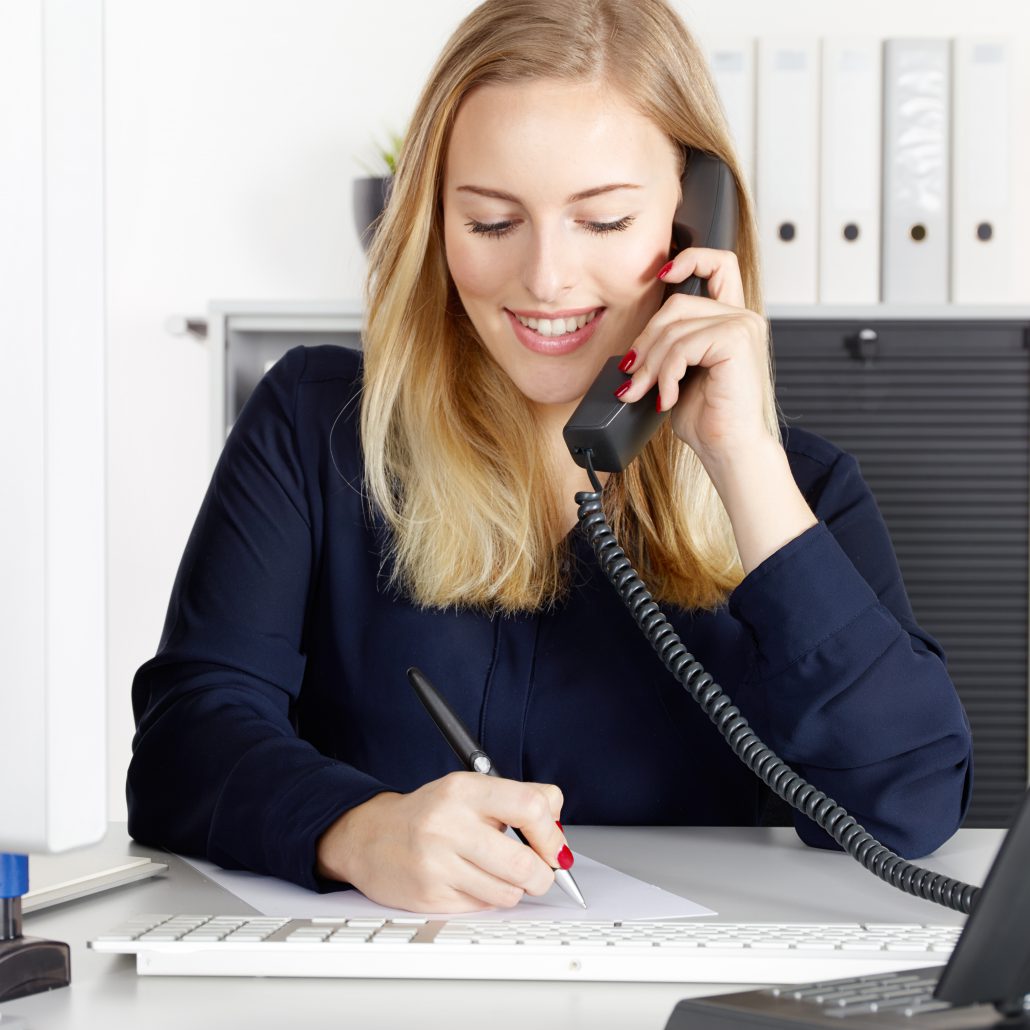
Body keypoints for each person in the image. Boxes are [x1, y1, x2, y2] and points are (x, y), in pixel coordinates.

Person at [127, 0, 973, 914]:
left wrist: (740, 459)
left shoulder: (797, 487)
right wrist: (358, 827)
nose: (546, 280)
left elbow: (910, 805)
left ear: (697, 225)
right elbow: (183, 743)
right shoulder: (314, 423)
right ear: (432, 224)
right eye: (493, 223)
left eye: (604, 222)